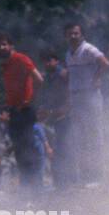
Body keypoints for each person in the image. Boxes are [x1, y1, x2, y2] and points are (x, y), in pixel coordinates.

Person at [0, 33, 43, 193]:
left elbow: (39, 79)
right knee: (20, 151)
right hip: (14, 112)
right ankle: (27, 190)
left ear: (11, 46)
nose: (1, 48)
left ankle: (36, 190)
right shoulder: (5, 65)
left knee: (29, 149)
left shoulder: (21, 59)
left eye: (4, 44)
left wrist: (29, 101)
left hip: (25, 111)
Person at [63, 22, 109, 187]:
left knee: (94, 136)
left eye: (76, 33)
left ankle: (98, 176)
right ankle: (86, 176)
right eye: (70, 33)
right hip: (77, 97)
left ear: (81, 34)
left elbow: (105, 63)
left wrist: (97, 77)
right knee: (81, 137)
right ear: (66, 36)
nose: (73, 36)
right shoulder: (68, 53)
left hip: (90, 96)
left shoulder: (88, 49)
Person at [35, 51, 71, 188]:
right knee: (56, 149)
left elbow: (70, 92)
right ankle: (59, 182)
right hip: (52, 116)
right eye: (44, 61)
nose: (46, 63)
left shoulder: (63, 74)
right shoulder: (48, 77)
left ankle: (68, 181)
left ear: (56, 60)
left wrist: (66, 108)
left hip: (64, 115)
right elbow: (46, 96)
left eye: (49, 60)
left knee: (65, 148)